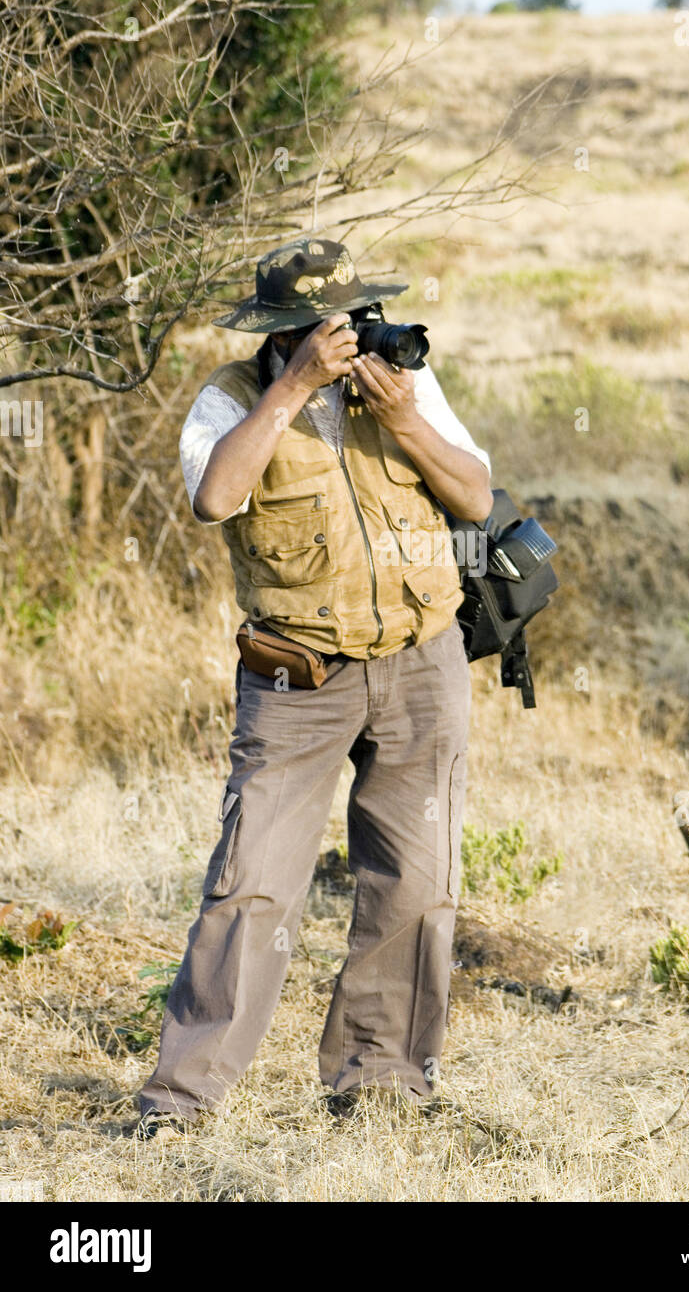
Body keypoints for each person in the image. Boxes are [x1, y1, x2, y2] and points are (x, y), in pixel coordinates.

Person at [137, 236, 493, 1133]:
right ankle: (181, 1101)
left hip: (420, 660)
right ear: (283, 331)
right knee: (252, 883)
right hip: (297, 676)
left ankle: (381, 1082)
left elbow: (478, 498)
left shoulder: (401, 380)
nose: (347, 339)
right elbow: (214, 498)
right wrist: (293, 387)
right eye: (325, 327)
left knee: (416, 880)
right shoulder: (233, 396)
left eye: (354, 318)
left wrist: (407, 418)